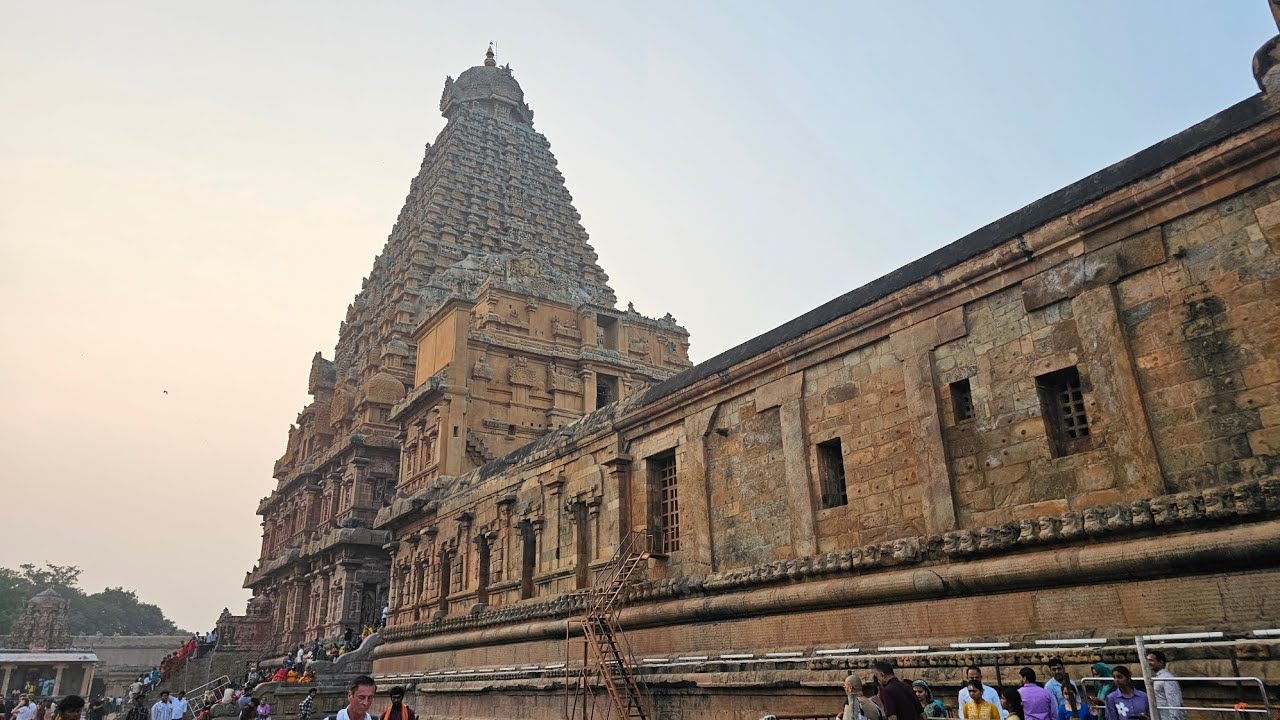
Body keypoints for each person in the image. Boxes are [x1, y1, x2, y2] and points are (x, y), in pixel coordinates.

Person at [1146, 650, 1185, 720]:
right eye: (1147, 660)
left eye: (1151, 660)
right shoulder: (1158, 677)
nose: (1148, 663)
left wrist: (1174, 718)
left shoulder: (1166, 678)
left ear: (1161, 662)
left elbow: (1173, 701)